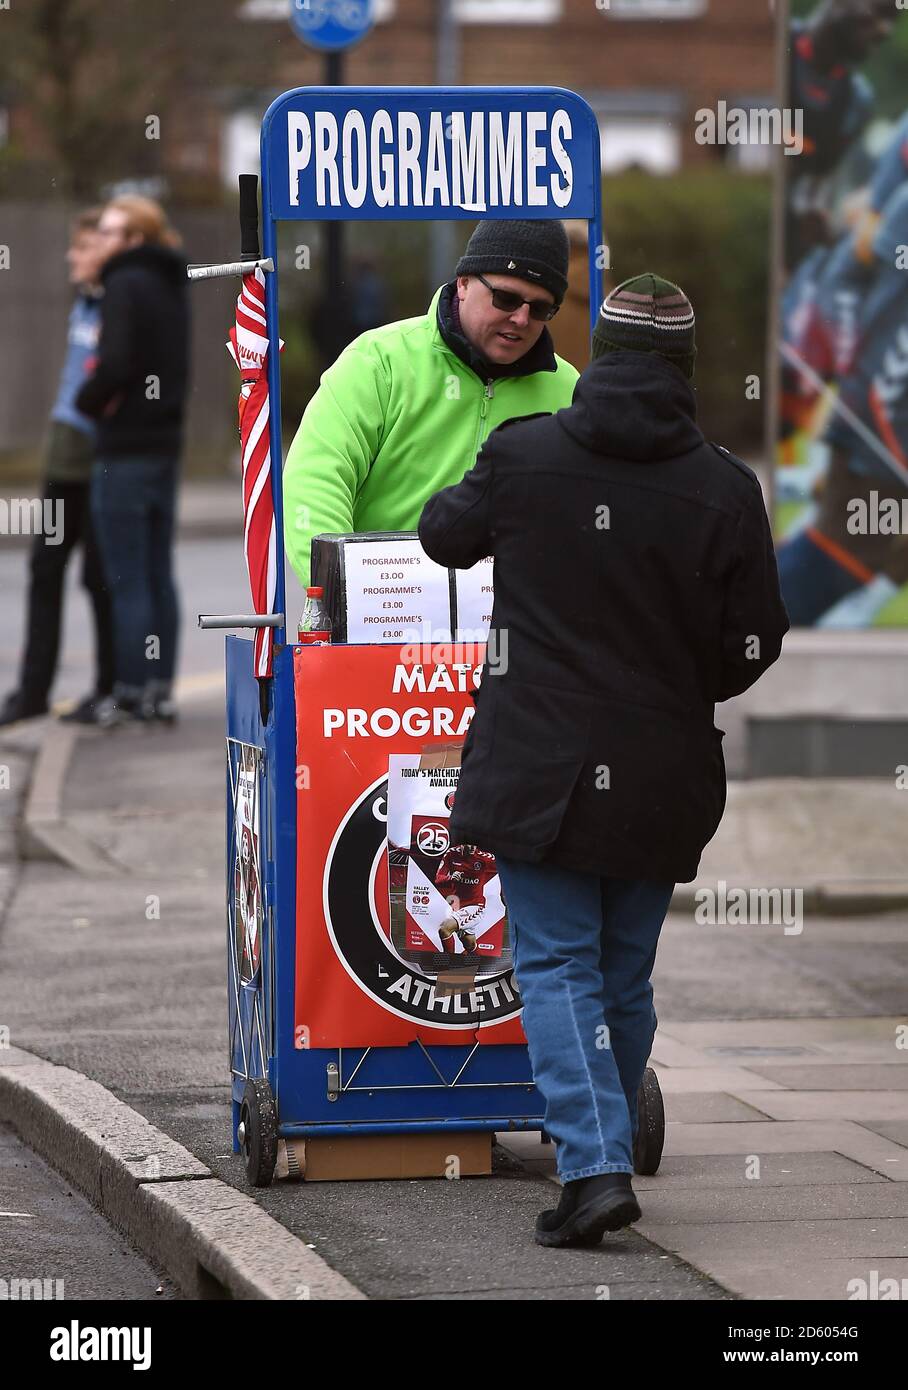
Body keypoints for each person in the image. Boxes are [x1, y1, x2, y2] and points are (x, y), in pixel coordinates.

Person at [419, 274, 789, 1248]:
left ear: (603, 352)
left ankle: (590, 1168)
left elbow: (440, 535)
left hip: (536, 763)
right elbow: (754, 640)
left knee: (552, 965)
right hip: (662, 773)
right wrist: (680, 684)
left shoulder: (525, 452)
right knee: (621, 977)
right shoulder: (722, 486)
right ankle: (602, 1150)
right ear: (683, 369)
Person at [283, 220, 579, 589]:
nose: (520, 318)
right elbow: (316, 478)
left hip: (515, 631)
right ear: (464, 282)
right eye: (505, 298)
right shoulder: (379, 361)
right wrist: (343, 593)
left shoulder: (571, 391)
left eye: (541, 309)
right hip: (382, 615)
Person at [75, 195, 190, 725]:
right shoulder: (172, 284)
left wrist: (88, 400)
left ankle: (128, 690)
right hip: (165, 445)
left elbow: (116, 361)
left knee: (127, 576)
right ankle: (159, 687)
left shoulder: (124, 282)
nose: (103, 241)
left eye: (114, 232)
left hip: (123, 448)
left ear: (136, 239)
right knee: (157, 570)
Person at [0, 209, 114, 728]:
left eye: (85, 246)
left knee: (99, 577)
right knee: (45, 569)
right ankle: (32, 691)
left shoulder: (121, 303)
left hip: (99, 461)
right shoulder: (85, 301)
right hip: (62, 458)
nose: (73, 255)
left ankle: (110, 687)